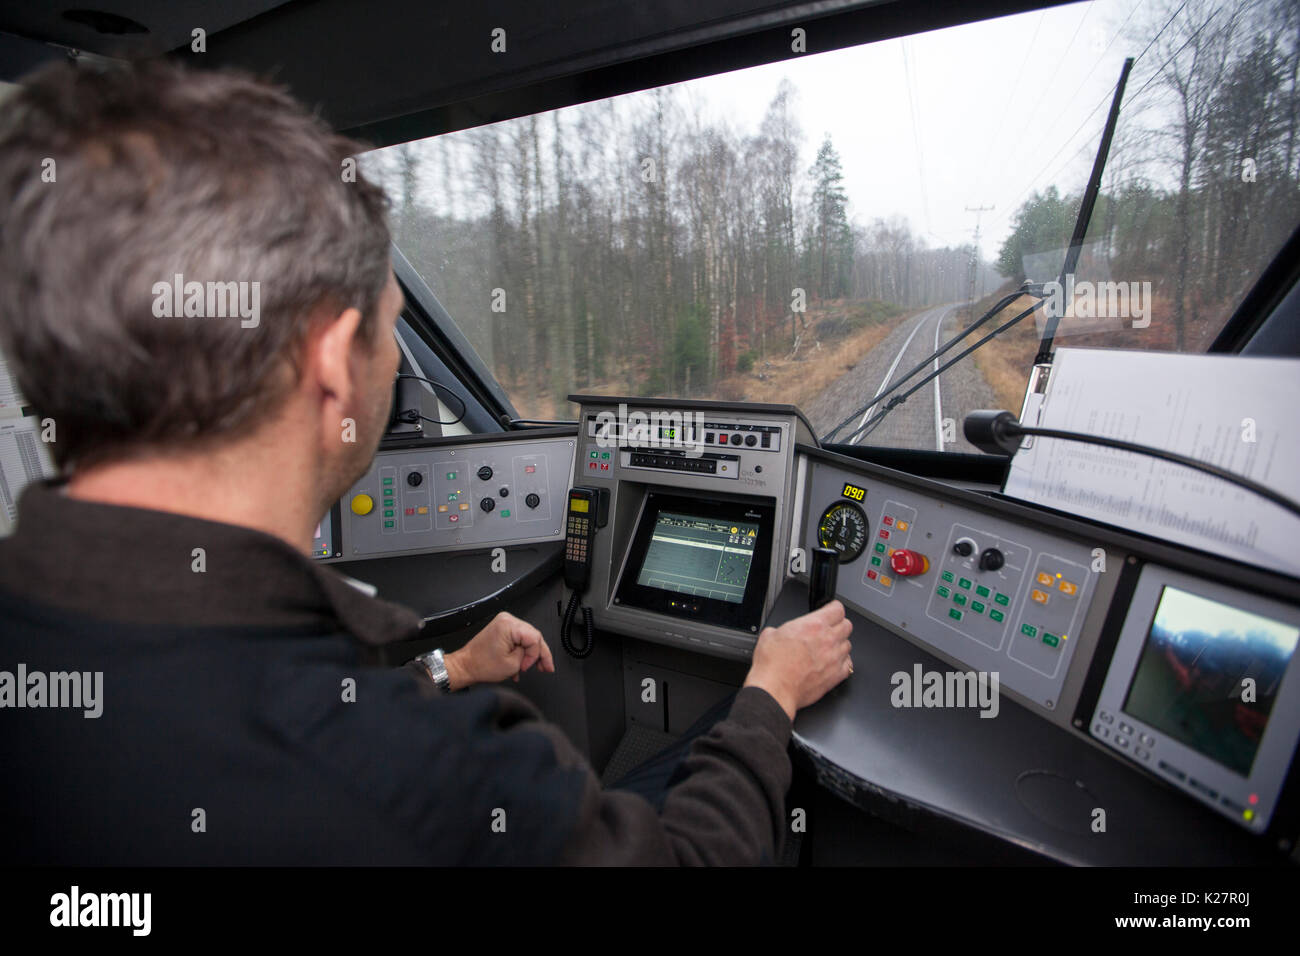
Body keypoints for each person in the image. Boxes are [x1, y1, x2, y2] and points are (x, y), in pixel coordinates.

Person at [0, 59, 853, 865]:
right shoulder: (439, 776)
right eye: (389, 323)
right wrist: (768, 696)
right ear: (333, 360)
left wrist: (444, 671)